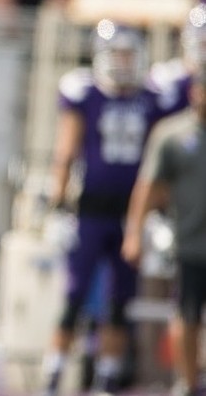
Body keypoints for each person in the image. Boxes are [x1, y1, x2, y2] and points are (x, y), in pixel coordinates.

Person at [40, 20, 178, 396]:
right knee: (74, 297)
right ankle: (53, 377)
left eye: (130, 53)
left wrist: (160, 214)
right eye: (117, 52)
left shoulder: (153, 96)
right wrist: (58, 206)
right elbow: (65, 153)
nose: (123, 61)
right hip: (89, 210)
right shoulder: (84, 92)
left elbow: (161, 163)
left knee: (120, 303)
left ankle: (106, 380)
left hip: (131, 214)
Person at [121, 67, 206, 396]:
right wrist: (134, 232)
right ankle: (187, 383)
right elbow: (148, 186)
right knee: (186, 314)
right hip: (190, 241)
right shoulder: (173, 134)